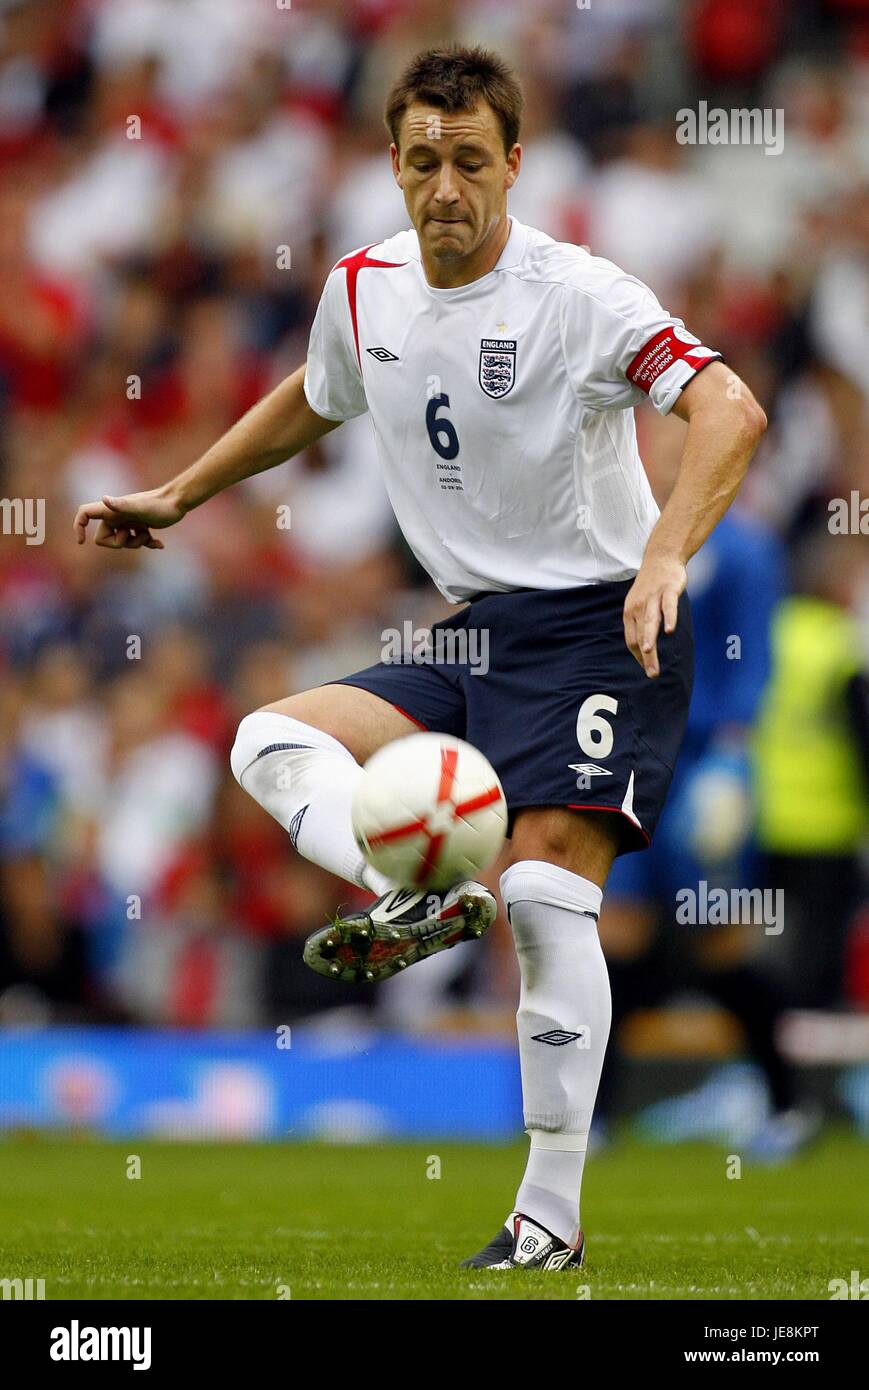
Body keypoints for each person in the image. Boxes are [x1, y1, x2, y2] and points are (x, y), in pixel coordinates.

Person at [73, 45, 767, 1272]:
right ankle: (413, 893)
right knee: (267, 738)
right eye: (420, 161)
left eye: (467, 161)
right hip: (473, 631)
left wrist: (666, 555)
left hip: (604, 621)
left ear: (511, 164)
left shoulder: (581, 294)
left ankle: (546, 1220)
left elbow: (730, 409)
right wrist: (180, 492)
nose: (443, 188)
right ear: (392, 164)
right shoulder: (361, 290)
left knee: (550, 898)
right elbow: (314, 393)